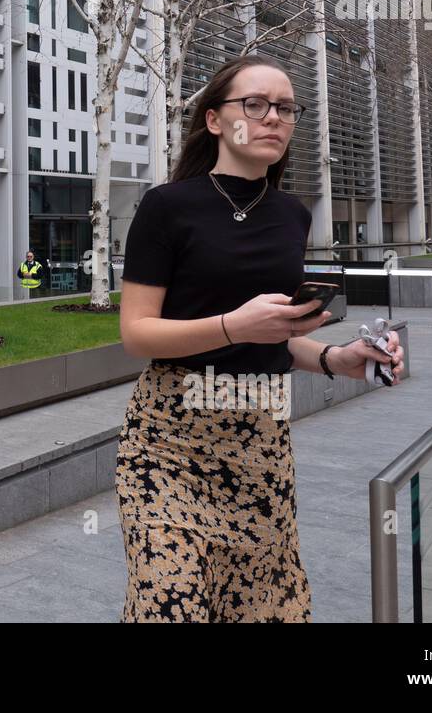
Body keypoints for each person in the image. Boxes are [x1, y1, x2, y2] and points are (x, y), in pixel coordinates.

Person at [115, 54, 404, 623]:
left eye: (286, 108)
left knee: (260, 611)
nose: (274, 117)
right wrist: (232, 325)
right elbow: (137, 333)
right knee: (167, 607)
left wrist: (338, 358)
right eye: (256, 104)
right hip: (167, 446)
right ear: (215, 120)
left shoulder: (291, 216)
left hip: (260, 446)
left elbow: (274, 335)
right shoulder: (167, 207)